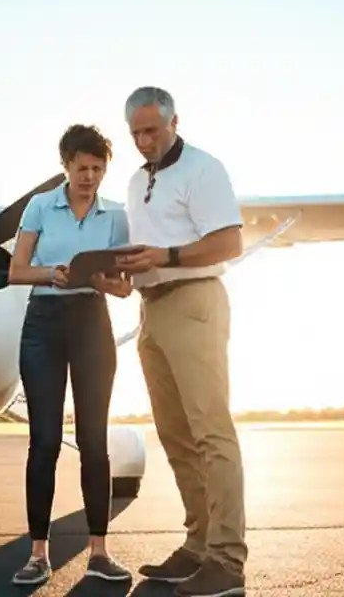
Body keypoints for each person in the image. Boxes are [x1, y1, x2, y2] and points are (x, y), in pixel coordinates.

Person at [115, 86, 249, 597]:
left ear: (174, 122)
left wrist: (164, 258)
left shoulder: (203, 169)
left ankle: (227, 562)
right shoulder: (134, 180)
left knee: (212, 433)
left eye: (152, 130)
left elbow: (229, 242)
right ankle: (198, 546)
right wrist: (124, 274)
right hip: (150, 309)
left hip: (194, 302)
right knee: (174, 435)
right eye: (136, 134)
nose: (144, 140)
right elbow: (144, 250)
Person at [6, 123, 135, 586]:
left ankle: (99, 552)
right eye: (82, 167)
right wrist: (52, 274)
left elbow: (125, 288)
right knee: (43, 442)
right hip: (43, 321)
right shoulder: (40, 206)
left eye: (98, 168)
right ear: (65, 164)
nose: (89, 177)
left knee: (94, 442)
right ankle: (37, 554)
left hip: (91, 321)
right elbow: (16, 271)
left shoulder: (117, 217)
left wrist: (102, 281)